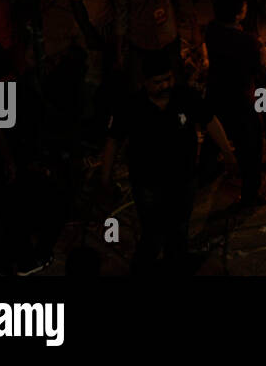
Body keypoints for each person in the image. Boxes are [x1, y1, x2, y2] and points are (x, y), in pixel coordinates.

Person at [100, 49, 237, 274]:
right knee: (152, 234)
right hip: (148, 184)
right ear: (144, 82)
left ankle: (176, 264)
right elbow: (113, 141)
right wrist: (105, 178)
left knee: (179, 229)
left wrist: (229, 154)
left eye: (168, 79)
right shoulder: (132, 106)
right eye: (158, 82)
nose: (165, 86)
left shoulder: (186, 97)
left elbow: (210, 121)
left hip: (183, 179)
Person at [204, 0, 266, 206]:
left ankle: (206, 172)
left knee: (214, 135)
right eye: (243, 9)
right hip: (241, 99)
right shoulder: (247, 41)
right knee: (251, 148)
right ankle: (250, 195)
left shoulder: (212, 31)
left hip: (216, 93)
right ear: (237, 15)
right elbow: (258, 72)